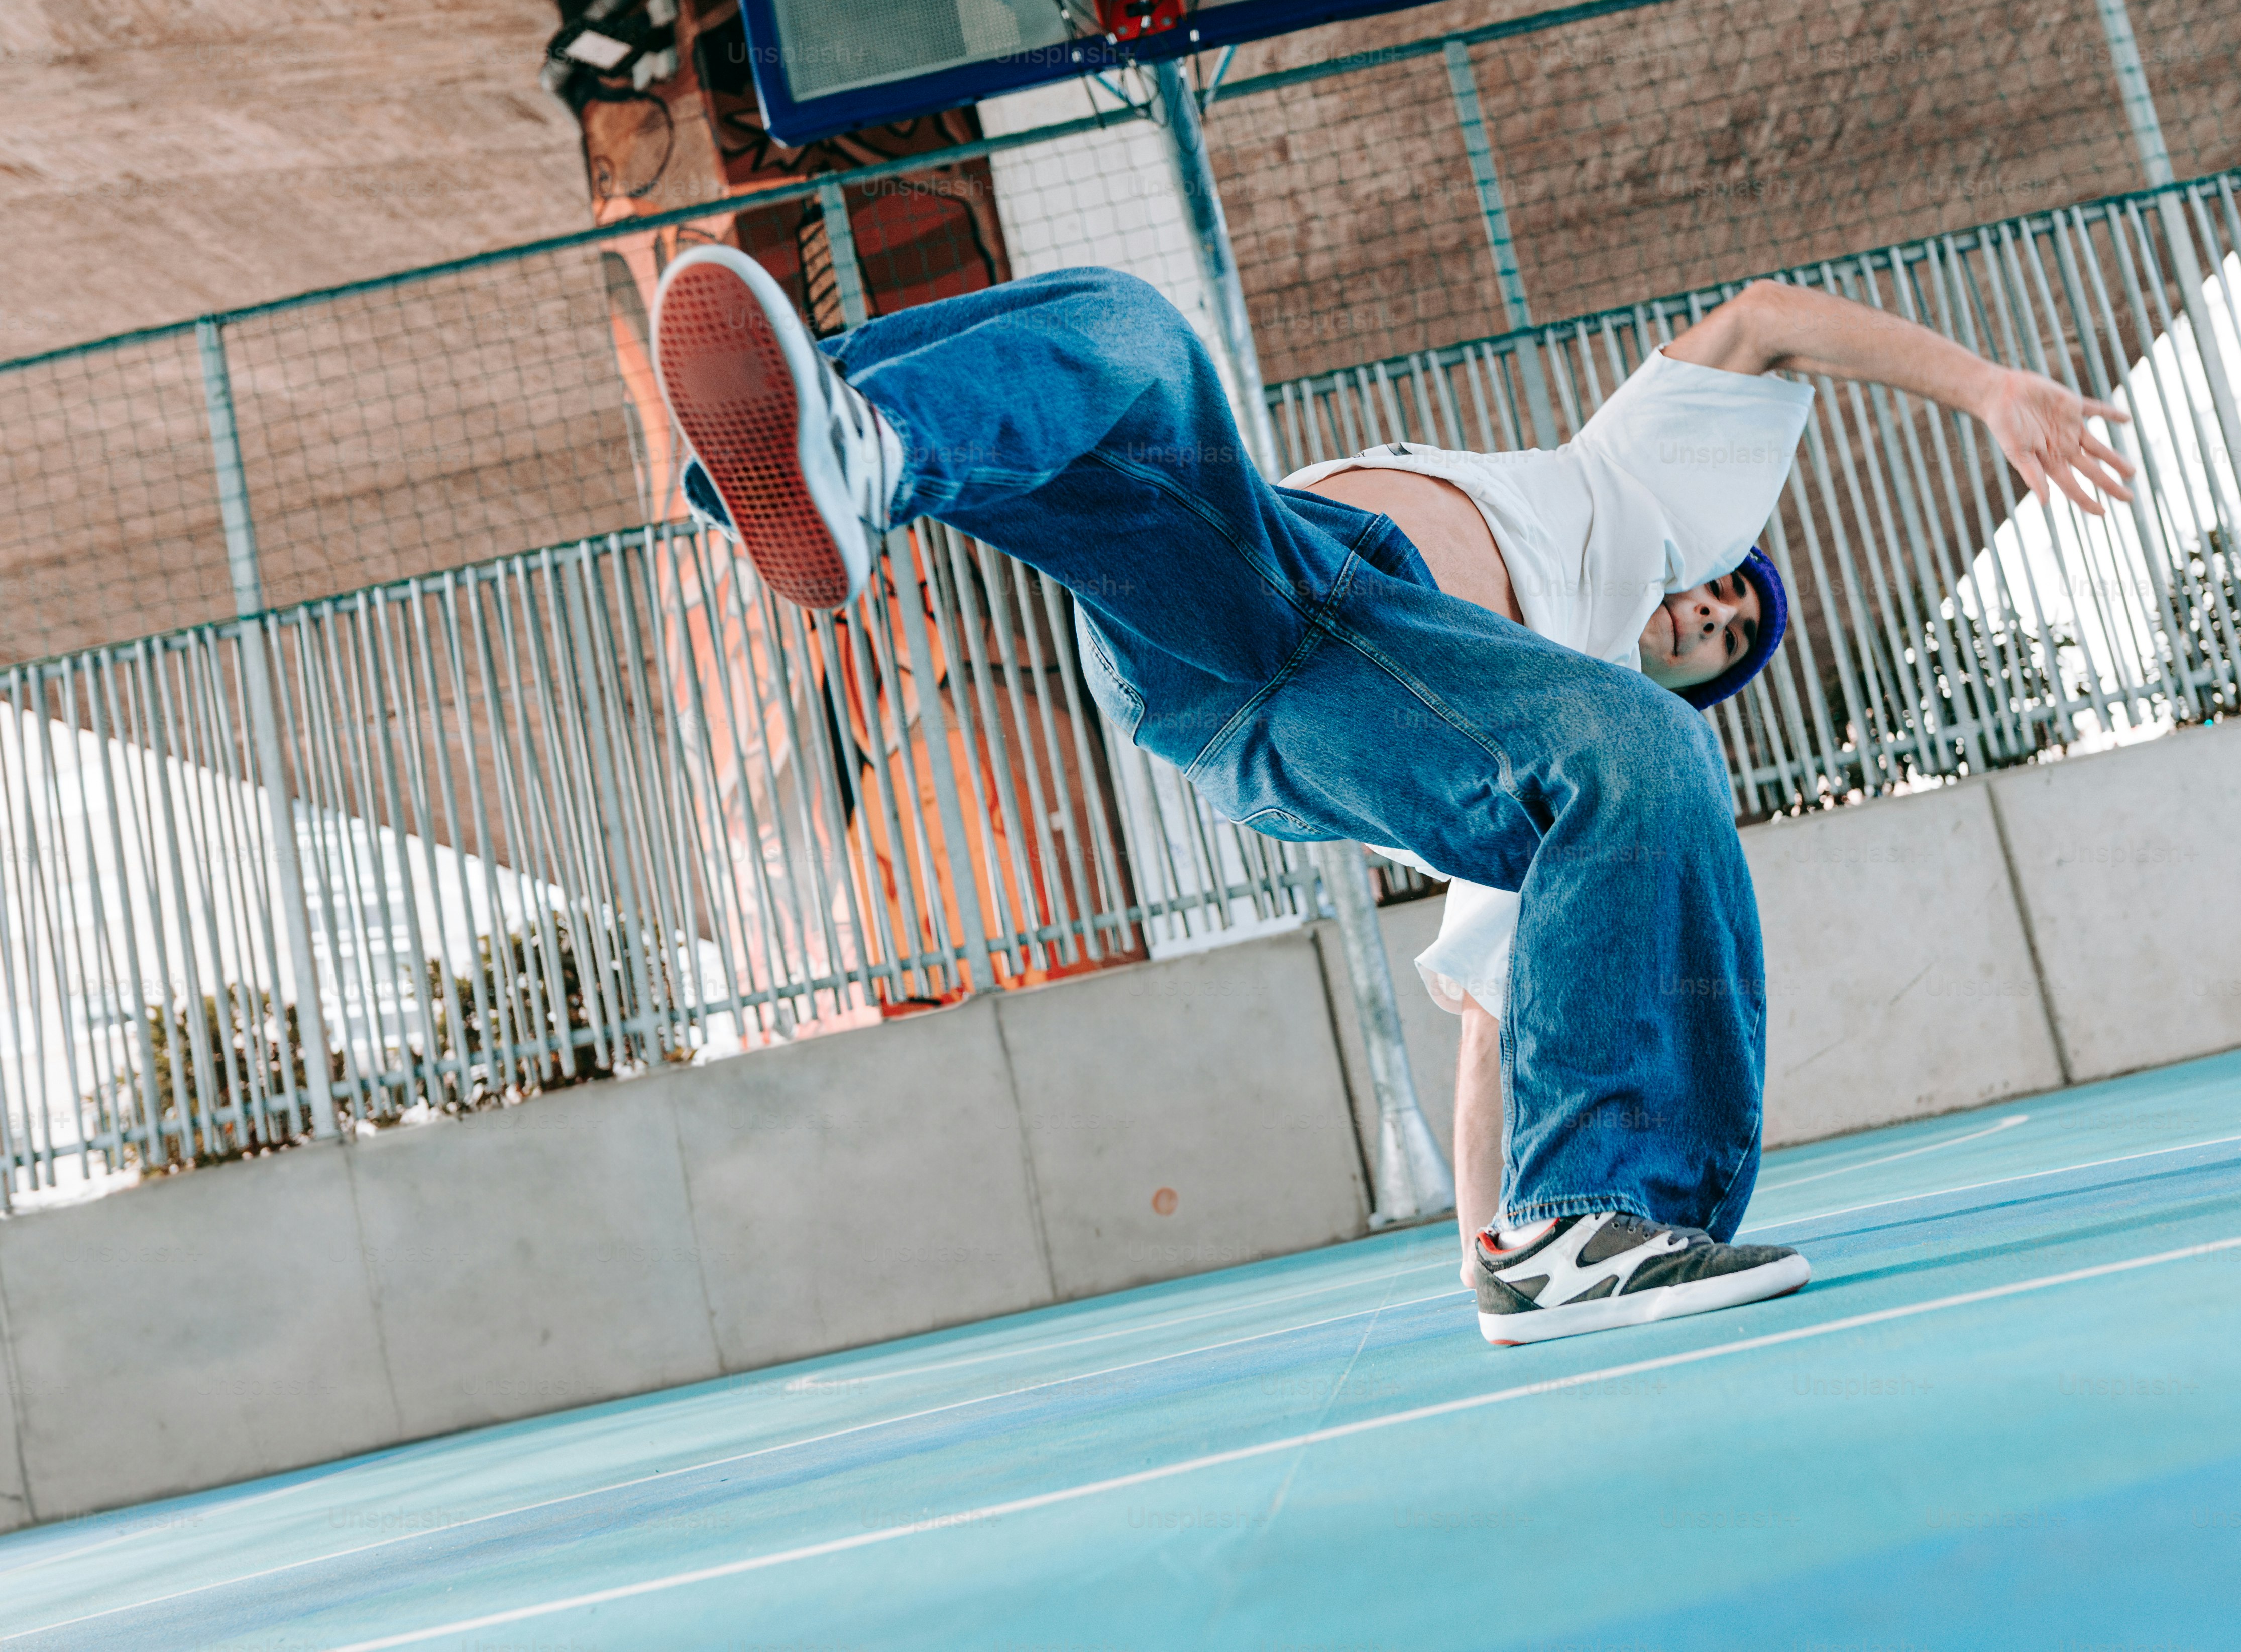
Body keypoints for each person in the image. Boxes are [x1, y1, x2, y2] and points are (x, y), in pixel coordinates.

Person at [647, 247, 2132, 1345]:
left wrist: (1495, 1233)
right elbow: (1764, 320)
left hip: (1354, 685)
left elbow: (1501, 1018)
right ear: (1711, 547)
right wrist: (1986, 384)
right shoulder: (1639, 484)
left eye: (1729, 649)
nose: (1713, 618)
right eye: (1728, 595)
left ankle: (1599, 1222)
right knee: (1141, 342)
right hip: (1249, 587)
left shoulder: (1558, 743)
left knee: (1636, 762)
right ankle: (858, 444)